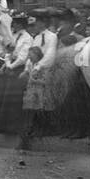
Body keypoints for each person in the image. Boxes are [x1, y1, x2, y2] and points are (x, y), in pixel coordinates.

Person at [19, 9, 59, 150]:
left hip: (46, 71)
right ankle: (30, 130)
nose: (35, 25)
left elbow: (50, 55)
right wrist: (27, 69)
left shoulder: (52, 37)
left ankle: (44, 128)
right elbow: (31, 55)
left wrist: (39, 67)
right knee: (31, 101)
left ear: (43, 22)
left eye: (37, 22)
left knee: (43, 100)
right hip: (34, 73)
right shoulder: (36, 38)